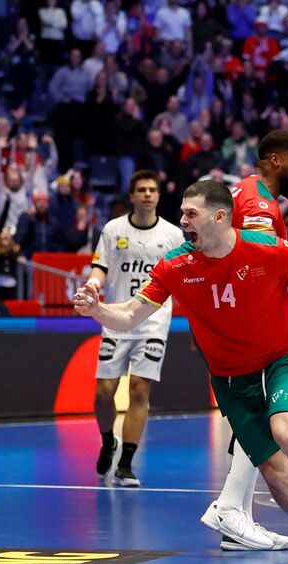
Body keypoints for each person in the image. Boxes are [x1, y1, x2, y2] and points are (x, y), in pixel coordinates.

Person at [74, 180, 288, 564]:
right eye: (182, 213)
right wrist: (97, 310)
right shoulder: (175, 265)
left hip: (281, 358)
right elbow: (130, 315)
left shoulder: (268, 249)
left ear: (220, 217)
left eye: (190, 214)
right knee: (275, 475)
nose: (182, 221)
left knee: (287, 432)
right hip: (231, 377)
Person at [87, 169, 185, 487]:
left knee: (139, 389)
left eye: (152, 190)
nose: (146, 194)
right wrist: (92, 285)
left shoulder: (172, 235)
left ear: (158, 196)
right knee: (104, 393)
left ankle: (126, 463)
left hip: (154, 321)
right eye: (141, 189)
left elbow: (183, 279)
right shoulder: (113, 229)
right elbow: (100, 267)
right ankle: (108, 441)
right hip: (116, 319)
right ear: (131, 196)